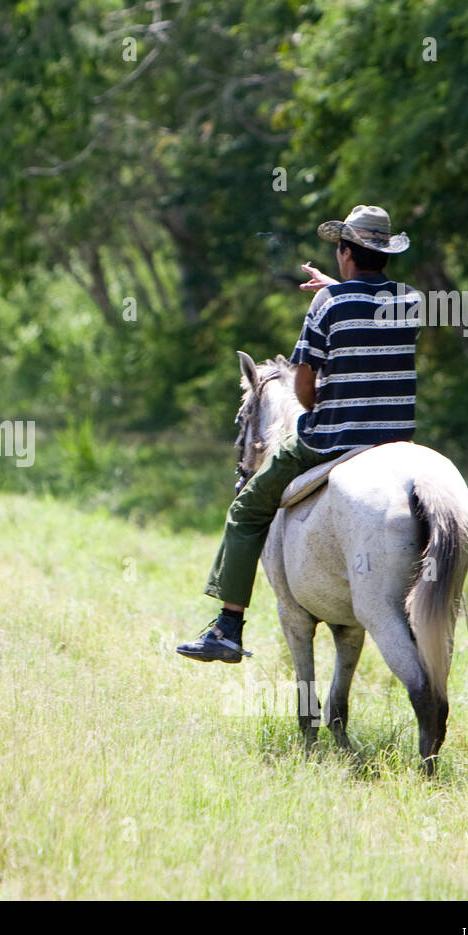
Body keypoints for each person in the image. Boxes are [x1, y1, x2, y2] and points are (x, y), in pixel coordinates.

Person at [177, 205, 419, 662]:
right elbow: (369, 317)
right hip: (396, 441)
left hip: (333, 439)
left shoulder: (327, 305)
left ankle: (227, 627)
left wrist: (332, 294)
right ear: (383, 254)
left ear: (346, 251)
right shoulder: (410, 302)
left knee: (247, 507)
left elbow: (305, 390)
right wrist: (340, 288)